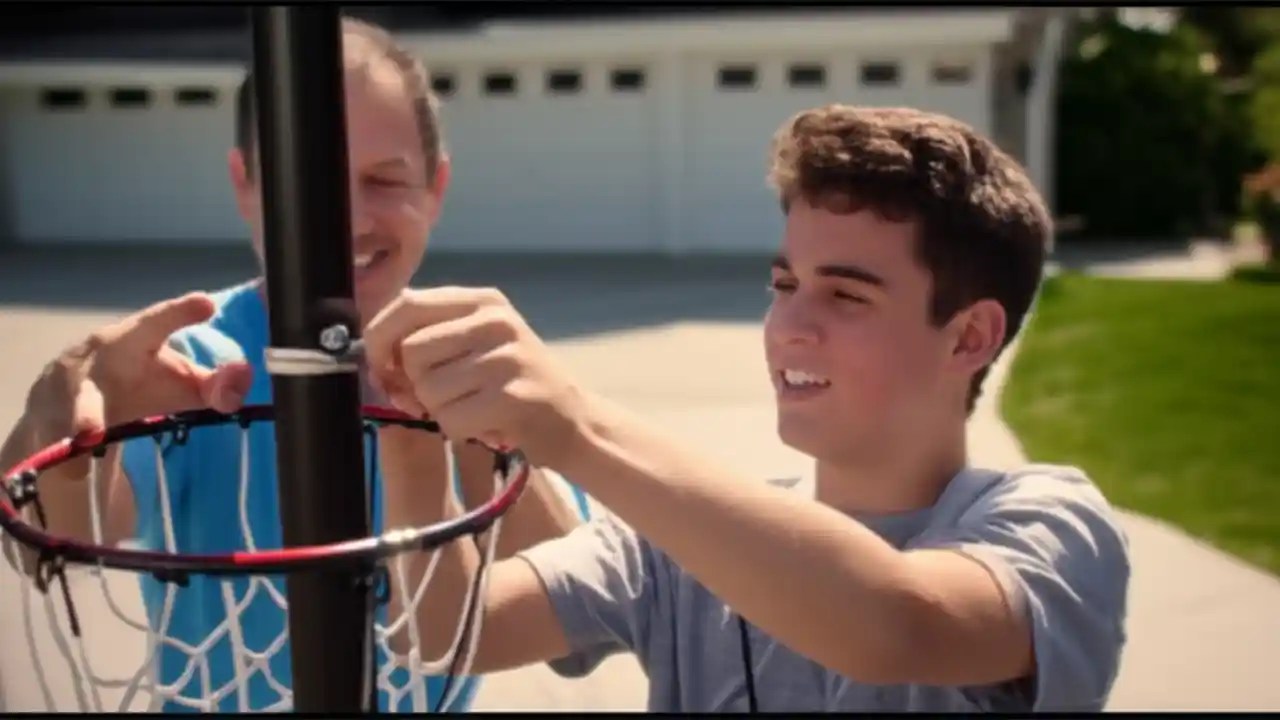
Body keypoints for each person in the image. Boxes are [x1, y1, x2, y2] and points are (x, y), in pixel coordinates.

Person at [362, 104, 1132, 712]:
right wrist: (419, 432)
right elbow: (447, 634)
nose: (790, 327)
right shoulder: (679, 536)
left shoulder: (1050, 524)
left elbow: (895, 626)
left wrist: (577, 427)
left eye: (846, 294)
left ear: (969, 337)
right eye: (785, 285)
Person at [0, 17, 590, 713]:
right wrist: (64, 448)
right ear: (244, 182)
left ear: (437, 186)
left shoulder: (482, 361)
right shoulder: (194, 363)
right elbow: (53, 548)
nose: (344, 217)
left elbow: (581, 637)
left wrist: (499, 438)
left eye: (384, 180)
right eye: (307, 180)